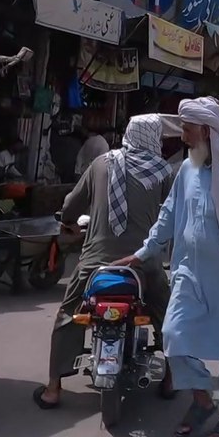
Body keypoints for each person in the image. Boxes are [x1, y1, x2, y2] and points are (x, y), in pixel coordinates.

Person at [117, 97, 219, 437]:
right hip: (189, 271)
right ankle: (202, 401)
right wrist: (144, 252)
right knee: (174, 335)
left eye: (187, 129)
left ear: (205, 131)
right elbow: (169, 216)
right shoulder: (186, 170)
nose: (183, 136)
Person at [33, 114, 175, 410]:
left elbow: (72, 204)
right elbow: (170, 212)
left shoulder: (101, 163)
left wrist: (68, 223)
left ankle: (53, 388)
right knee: (168, 315)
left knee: (67, 316)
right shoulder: (162, 171)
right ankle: (172, 378)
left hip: (95, 262)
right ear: (154, 138)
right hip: (143, 262)